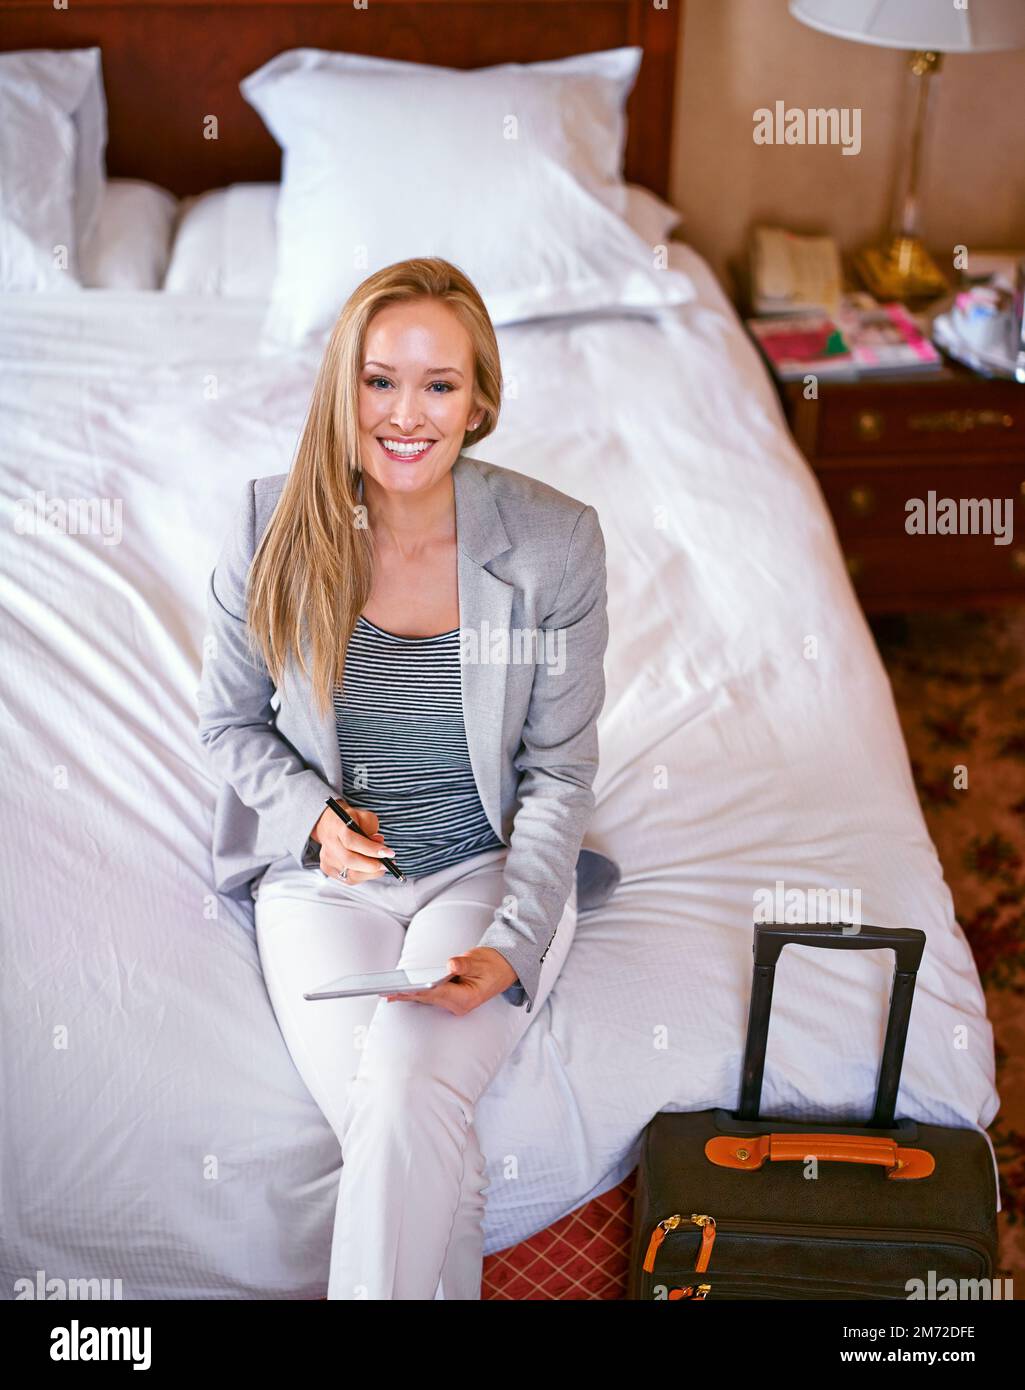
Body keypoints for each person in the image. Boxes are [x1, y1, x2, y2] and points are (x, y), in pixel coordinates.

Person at [196, 256, 610, 1299]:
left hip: (483, 861)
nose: (405, 415)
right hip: (325, 883)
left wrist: (512, 944)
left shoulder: (556, 543)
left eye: (438, 383)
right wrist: (309, 821)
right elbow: (229, 725)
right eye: (379, 380)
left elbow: (559, 775)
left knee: (402, 1090)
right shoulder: (264, 524)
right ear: (344, 387)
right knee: (410, 1124)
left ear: (479, 401)